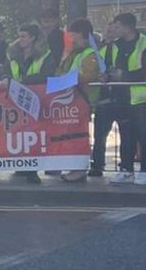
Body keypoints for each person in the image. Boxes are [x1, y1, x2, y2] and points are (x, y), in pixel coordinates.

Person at [106, 13, 146, 186]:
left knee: (144, 134)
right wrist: (105, 77)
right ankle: (126, 169)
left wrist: (125, 75)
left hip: (143, 97)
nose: (114, 29)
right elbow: (109, 67)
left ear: (128, 27)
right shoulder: (114, 46)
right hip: (122, 96)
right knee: (125, 134)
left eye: (117, 26)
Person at [3, 25, 55, 184]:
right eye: (19, 36)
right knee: (18, 133)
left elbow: (47, 75)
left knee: (34, 135)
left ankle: (32, 169)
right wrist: (6, 79)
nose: (20, 40)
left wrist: (23, 81)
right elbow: (6, 71)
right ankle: (21, 165)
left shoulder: (45, 55)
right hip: (15, 99)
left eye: (24, 36)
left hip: (37, 99)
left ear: (33, 38)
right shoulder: (12, 53)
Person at [58, 19, 104, 182]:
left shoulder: (90, 53)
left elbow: (88, 75)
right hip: (71, 100)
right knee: (72, 135)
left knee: (79, 136)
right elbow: (60, 71)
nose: (71, 40)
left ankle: (79, 169)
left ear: (82, 35)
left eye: (74, 36)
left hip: (82, 100)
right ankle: (75, 167)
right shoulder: (73, 53)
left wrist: (67, 79)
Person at [91, 22, 126, 177]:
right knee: (100, 135)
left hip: (122, 98)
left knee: (126, 135)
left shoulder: (125, 49)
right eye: (108, 30)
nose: (111, 33)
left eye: (114, 29)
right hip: (104, 98)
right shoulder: (100, 50)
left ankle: (126, 165)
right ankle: (97, 164)